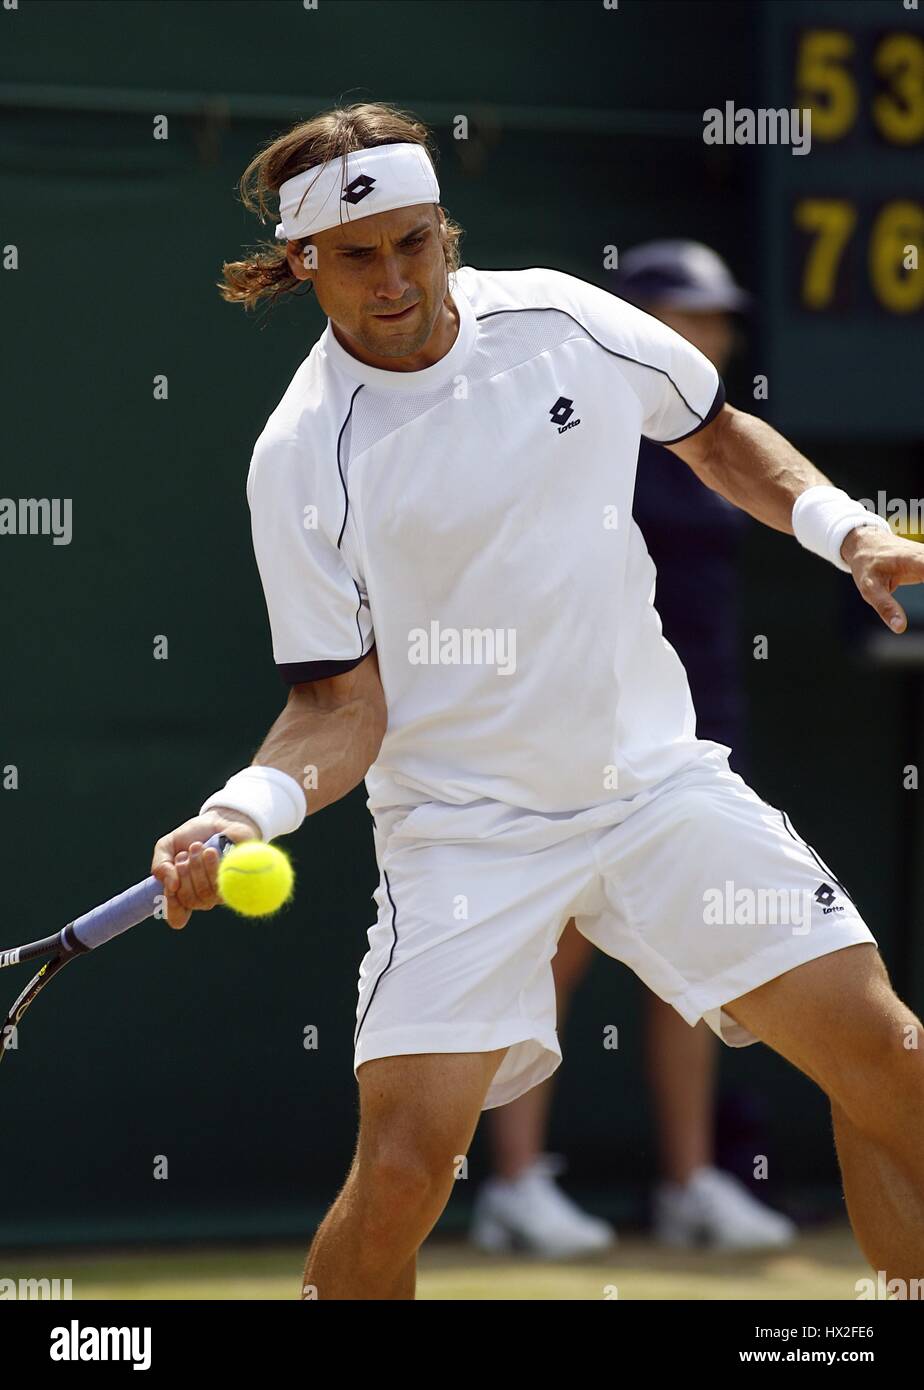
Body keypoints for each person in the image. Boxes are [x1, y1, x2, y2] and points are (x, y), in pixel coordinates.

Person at [150, 103, 924, 1301]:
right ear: (306, 263)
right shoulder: (302, 455)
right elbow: (335, 707)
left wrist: (851, 533)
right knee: (403, 1175)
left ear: (445, 229)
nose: (398, 279)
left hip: (656, 786)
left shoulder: (569, 320)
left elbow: (718, 440)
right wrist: (241, 812)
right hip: (466, 834)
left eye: (417, 241)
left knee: (887, 1057)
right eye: (359, 256)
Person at [470, 242, 794, 1256]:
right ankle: (513, 1188)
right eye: (686, 315)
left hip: (698, 723)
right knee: (556, 956)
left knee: (689, 960)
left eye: (719, 316)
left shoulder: (710, 436)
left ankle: (690, 1183)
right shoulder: (582, 429)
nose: (710, 334)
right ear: (637, 319)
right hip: (585, 728)